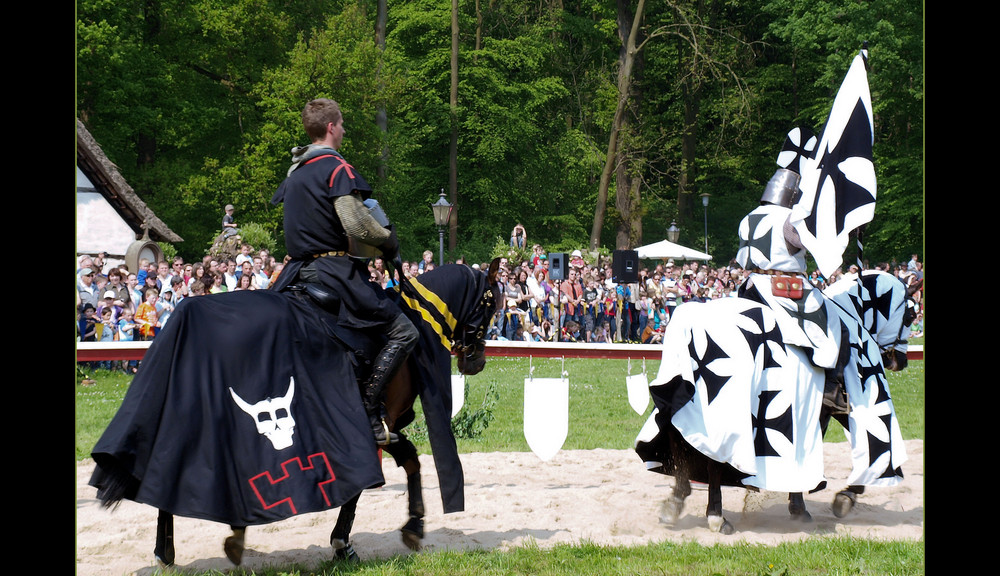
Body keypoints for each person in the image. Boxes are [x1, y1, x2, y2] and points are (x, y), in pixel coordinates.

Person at [269, 97, 418, 446]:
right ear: (332, 127)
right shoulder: (336, 169)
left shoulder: (296, 173)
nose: (345, 130)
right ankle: (369, 412)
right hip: (332, 271)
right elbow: (356, 224)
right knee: (405, 332)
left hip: (295, 271)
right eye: (343, 124)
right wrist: (388, 241)